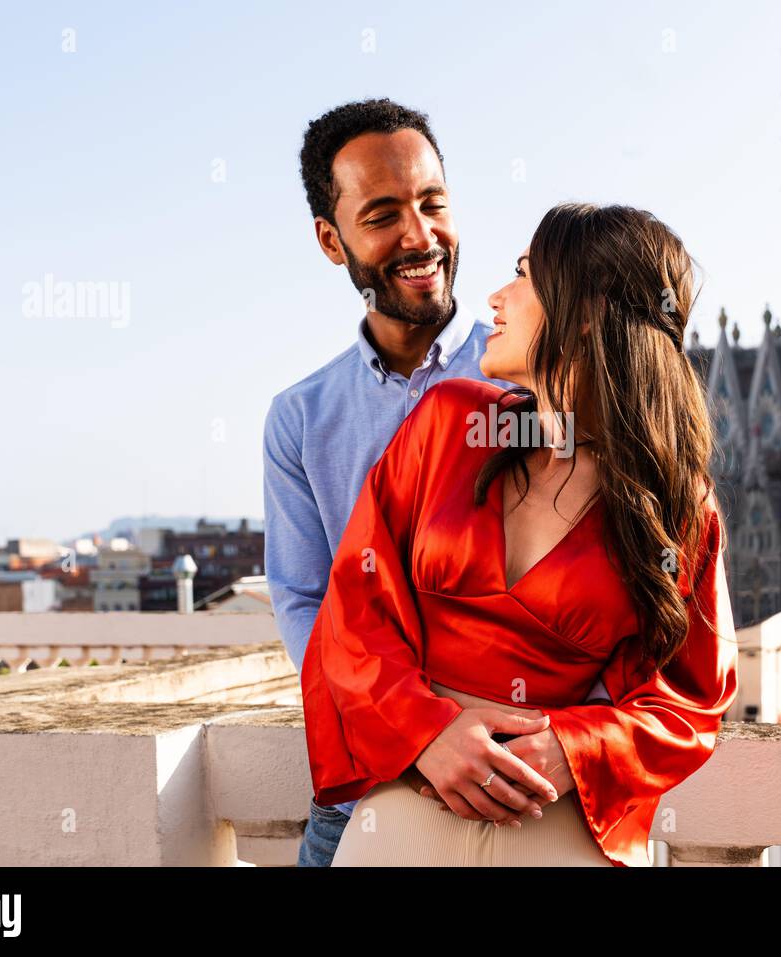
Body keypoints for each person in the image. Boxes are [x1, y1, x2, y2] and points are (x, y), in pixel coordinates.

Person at [302, 202, 741, 866]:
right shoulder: (448, 423)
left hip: (552, 820)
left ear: (587, 309)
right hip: (407, 800)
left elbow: (693, 699)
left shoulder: (678, 505)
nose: (495, 297)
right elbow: (352, 609)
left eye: (523, 275)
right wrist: (427, 734)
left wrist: (574, 748)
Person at [263, 98, 609, 868]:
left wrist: (539, 739)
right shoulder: (301, 419)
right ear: (332, 239)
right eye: (383, 214)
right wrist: (420, 729)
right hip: (363, 804)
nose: (420, 237)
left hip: (525, 803)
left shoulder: (536, 373)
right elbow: (309, 604)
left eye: (433, 203)